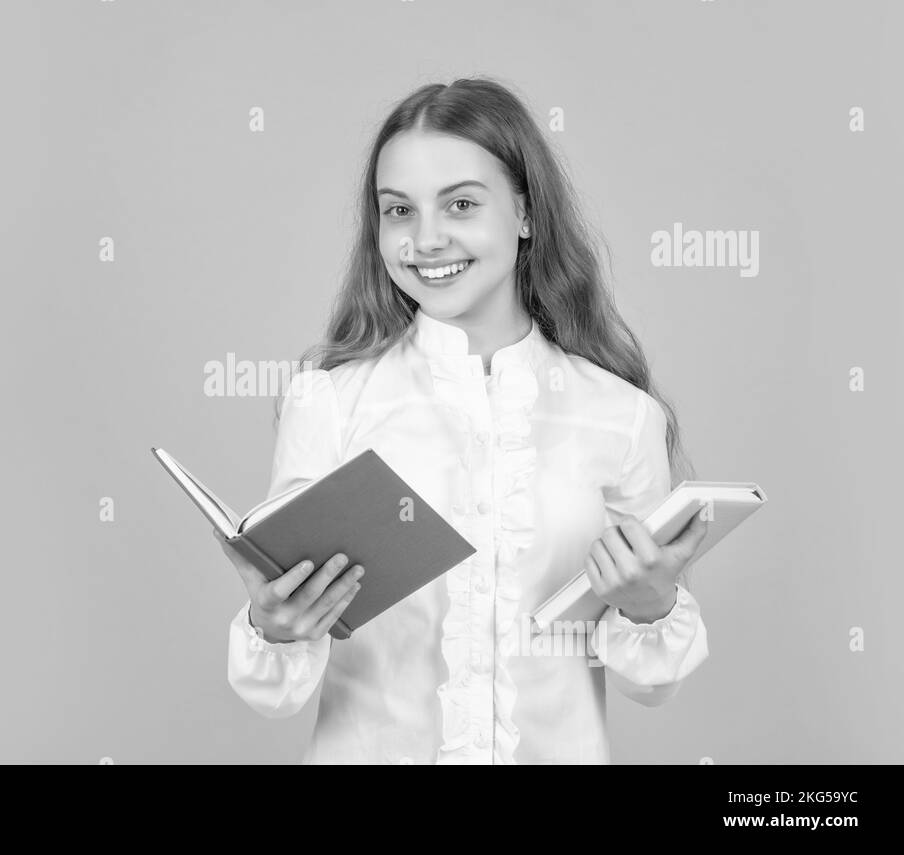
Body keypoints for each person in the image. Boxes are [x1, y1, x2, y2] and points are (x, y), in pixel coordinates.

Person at [217, 76, 711, 765]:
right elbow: (274, 692)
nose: (425, 239)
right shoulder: (329, 402)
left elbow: (652, 682)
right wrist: (275, 626)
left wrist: (652, 603)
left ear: (526, 214)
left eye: (461, 204)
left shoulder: (621, 417)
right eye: (398, 211)